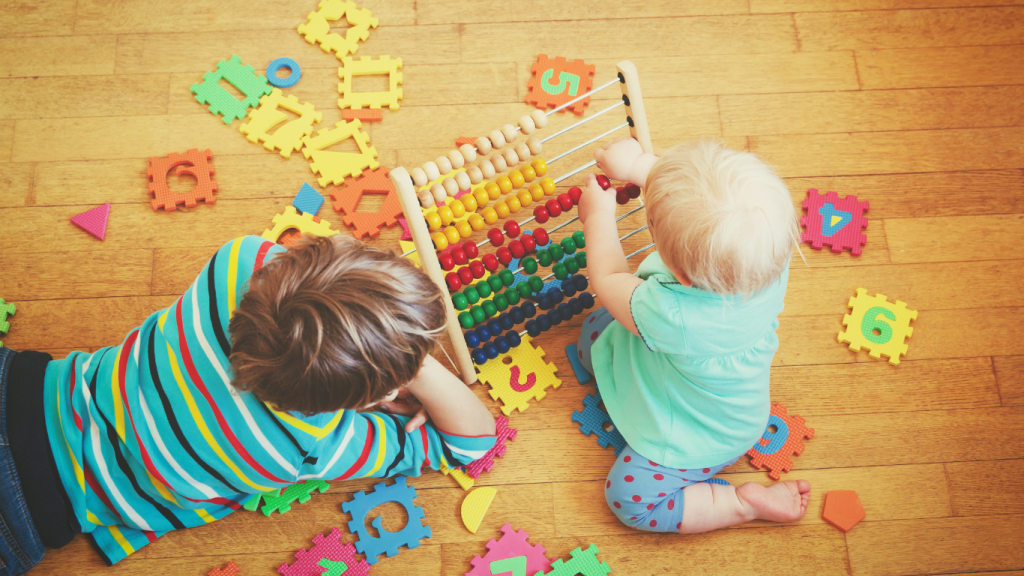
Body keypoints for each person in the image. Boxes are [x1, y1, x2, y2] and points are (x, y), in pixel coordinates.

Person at [0, 234, 496, 573]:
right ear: (362, 402)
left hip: (17, 386)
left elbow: (312, 269)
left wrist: (385, 354)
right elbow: (474, 443)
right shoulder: (306, 446)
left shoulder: (239, 261)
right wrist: (420, 371)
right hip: (28, 508)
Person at [575, 138, 810, 534]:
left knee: (628, 499)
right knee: (593, 338)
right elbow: (699, 200)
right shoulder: (770, 250)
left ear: (681, 277)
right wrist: (640, 166)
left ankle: (736, 504)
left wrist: (596, 218)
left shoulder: (672, 314)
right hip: (693, 376)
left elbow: (608, 278)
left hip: (698, 433)